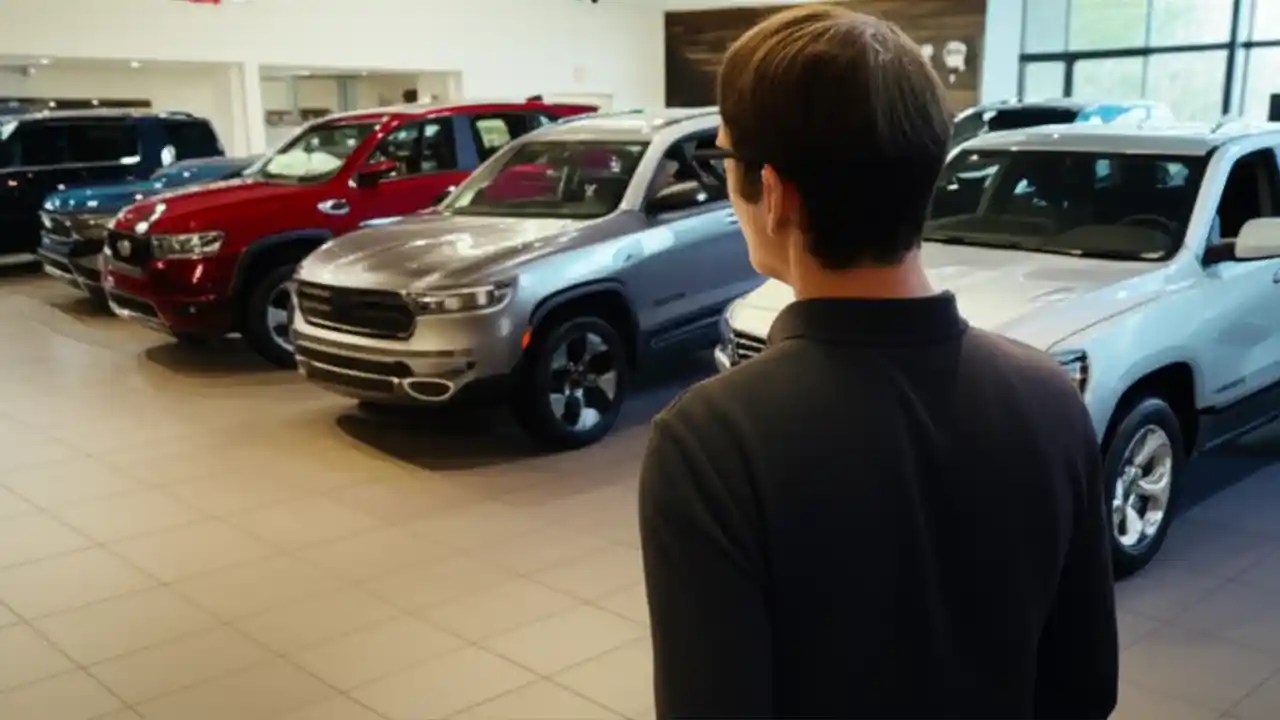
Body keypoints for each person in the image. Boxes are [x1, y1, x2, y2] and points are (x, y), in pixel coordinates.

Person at [638, 5, 1118, 719]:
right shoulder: (1050, 399)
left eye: (724, 162)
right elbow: (1085, 688)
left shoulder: (711, 444)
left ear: (775, 195)